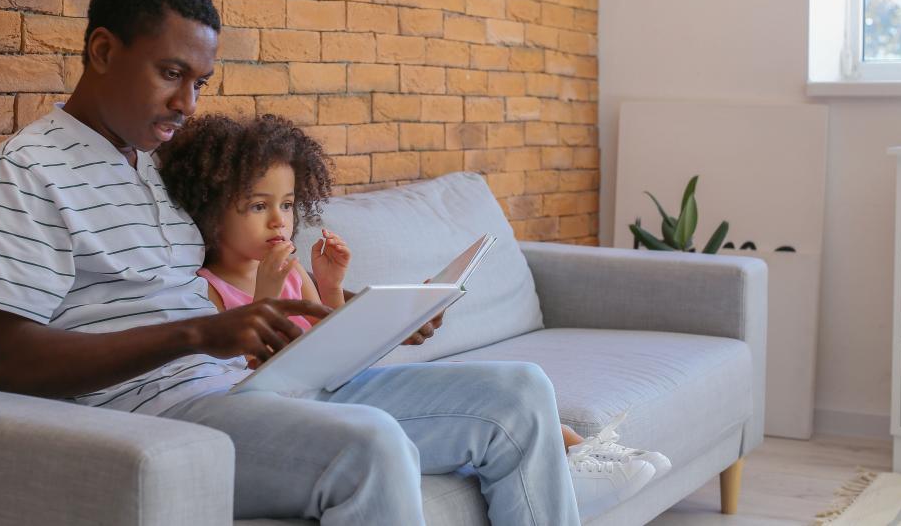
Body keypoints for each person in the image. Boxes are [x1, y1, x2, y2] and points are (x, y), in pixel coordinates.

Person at [0, 0, 645, 525]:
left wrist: (366, 323)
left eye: (200, 83)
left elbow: (244, 278)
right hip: (155, 422)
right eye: (171, 74)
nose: (188, 104)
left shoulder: (156, 170)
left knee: (520, 395)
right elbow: (11, 362)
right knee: (371, 445)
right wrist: (201, 336)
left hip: (253, 391)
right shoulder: (24, 173)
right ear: (103, 50)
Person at [158, 112, 669, 517]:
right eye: (256, 206)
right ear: (210, 211)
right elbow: (258, 389)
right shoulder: (208, 293)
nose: (279, 220)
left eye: (288, 205)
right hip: (295, 415)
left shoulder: (296, 271)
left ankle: (568, 470)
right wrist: (267, 301)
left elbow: (329, 346)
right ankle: (571, 470)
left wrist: (338, 290)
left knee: (523, 384)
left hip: (335, 391)